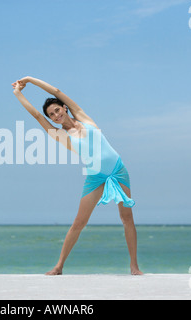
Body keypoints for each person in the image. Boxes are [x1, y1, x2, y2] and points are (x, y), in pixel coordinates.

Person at [11, 76, 143, 276]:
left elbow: (56, 91)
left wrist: (30, 79)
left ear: (64, 108)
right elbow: (37, 116)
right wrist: (18, 93)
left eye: (57, 110)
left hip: (118, 170)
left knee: (127, 218)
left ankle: (134, 266)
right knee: (79, 223)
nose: (55, 115)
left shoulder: (84, 118)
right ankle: (59, 266)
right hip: (95, 177)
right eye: (51, 115)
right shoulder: (60, 135)